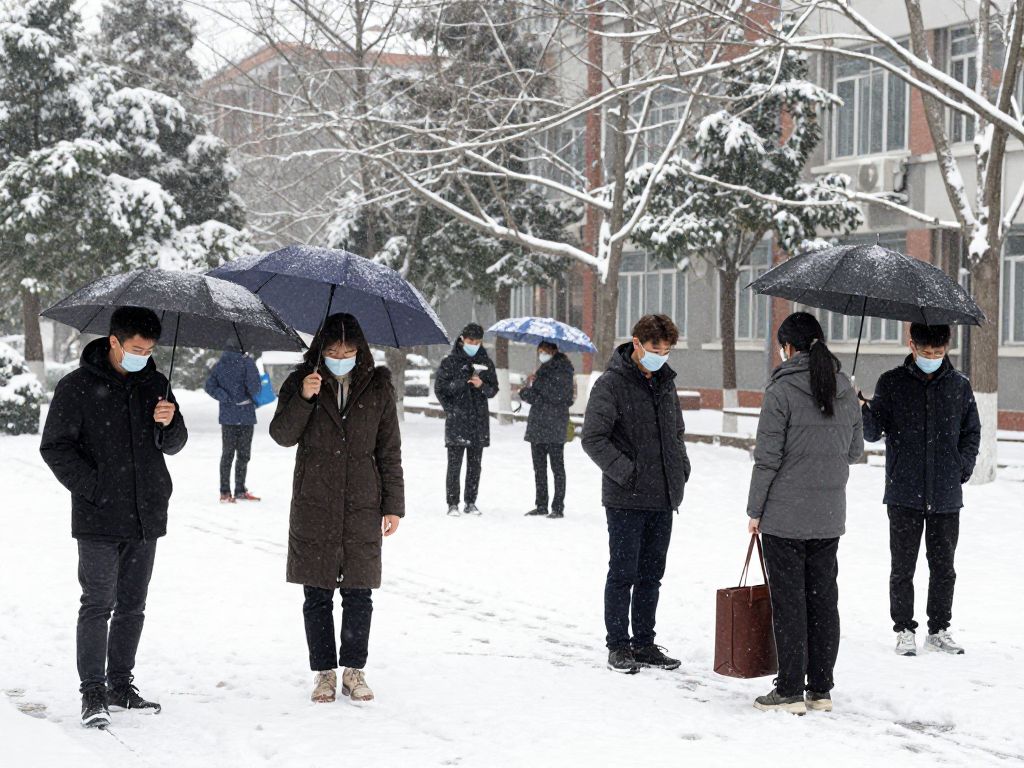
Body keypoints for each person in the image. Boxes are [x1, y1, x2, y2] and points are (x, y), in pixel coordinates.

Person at [40, 306, 188, 728]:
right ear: (114, 342)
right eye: (136, 349)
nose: (143, 356)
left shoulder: (156, 385)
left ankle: (120, 684)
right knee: (97, 602)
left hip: (146, 514)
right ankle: (92, 692)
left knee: (133, 605)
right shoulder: (76, 387)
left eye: (149, 350)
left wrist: (169, 423)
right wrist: (96, 488)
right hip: (99, 518)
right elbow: (55, 448)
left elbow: (174, 444)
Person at [269, 313, 403, 705]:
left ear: (360, 350)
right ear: (320, 350)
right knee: (317, 592)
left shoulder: (378, 387)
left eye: (347, 352)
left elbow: (389, 450)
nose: (340, 358)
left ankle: (354, 670)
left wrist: (393, 505)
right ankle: (324, 672)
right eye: (332, 351)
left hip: (363, 501)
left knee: (360, 591)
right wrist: (304, 399)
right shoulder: (302, 380)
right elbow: (282, 435)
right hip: (315, 499)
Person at [746, 312, 862, 715]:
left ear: (788, 347)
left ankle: (790, 689)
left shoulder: (780, 391)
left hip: (784, 516)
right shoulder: (844, 387)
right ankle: (820, 688)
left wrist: (755, 510)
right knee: (823, 601)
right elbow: (854, 452)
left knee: (789, 602)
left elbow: (767, 459)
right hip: (828, 516)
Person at [861, 323, 980, 657]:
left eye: (938, 352)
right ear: (911, 345)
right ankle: (904, 629)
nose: (932, 357)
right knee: (903, 567)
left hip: (945, 494)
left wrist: (962, 467)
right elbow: (873, 433)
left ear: (947, 348)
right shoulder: (892, 383)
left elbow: (971, 432)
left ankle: (939, 628)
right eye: (926, 352)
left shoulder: (959, 386)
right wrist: (862, 409)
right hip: (904, 492)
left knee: (944, 567)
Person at [582, 314, 690, 674]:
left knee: (651, 575)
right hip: (625, 498)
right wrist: (627, 473)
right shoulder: (611, 384)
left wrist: (680, 469)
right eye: (655, 350)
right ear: (636, 344)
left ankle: (644, 643)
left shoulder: (666, 383)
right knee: (623, 573)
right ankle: (618, 645)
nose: (661, 357)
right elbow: (593, 438)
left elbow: (676, 432)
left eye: (666, 351)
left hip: (663, 495)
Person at [433, 323, 499, 516]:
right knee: (454, 465)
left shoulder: (486, 362)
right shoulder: (450, 361)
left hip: (478, 421)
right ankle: (452, 503)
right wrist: (452, 407)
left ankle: (471, 502)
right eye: (471, 341)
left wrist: (482, 385)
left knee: (475, 466)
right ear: (462, 339)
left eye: (478, 342)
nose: (474, 345)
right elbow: (440, 389)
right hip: (457, 421)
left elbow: (493, 390)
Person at [520, 341, 574, 519]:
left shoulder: (562, 371)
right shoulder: (544, 371)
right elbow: (542, 395)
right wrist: (533, 384)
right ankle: (541, 504)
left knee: (557, 468)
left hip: (554, 425)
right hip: (539, 425)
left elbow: (552, 397)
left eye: (545, 351)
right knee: (539, 468)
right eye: (540, 351)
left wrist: (526, 392)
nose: (542, 354)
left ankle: (558, 507)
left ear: (554, 352)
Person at [204, 348, 262, 503]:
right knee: (243, 455)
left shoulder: (220, 365)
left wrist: (224, 396)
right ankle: (240, 490)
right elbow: (255, 388)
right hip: (246, 416)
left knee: (227, 454)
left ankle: (225, 492)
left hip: (228, 417)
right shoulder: (247, 363)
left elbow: (209, 386)